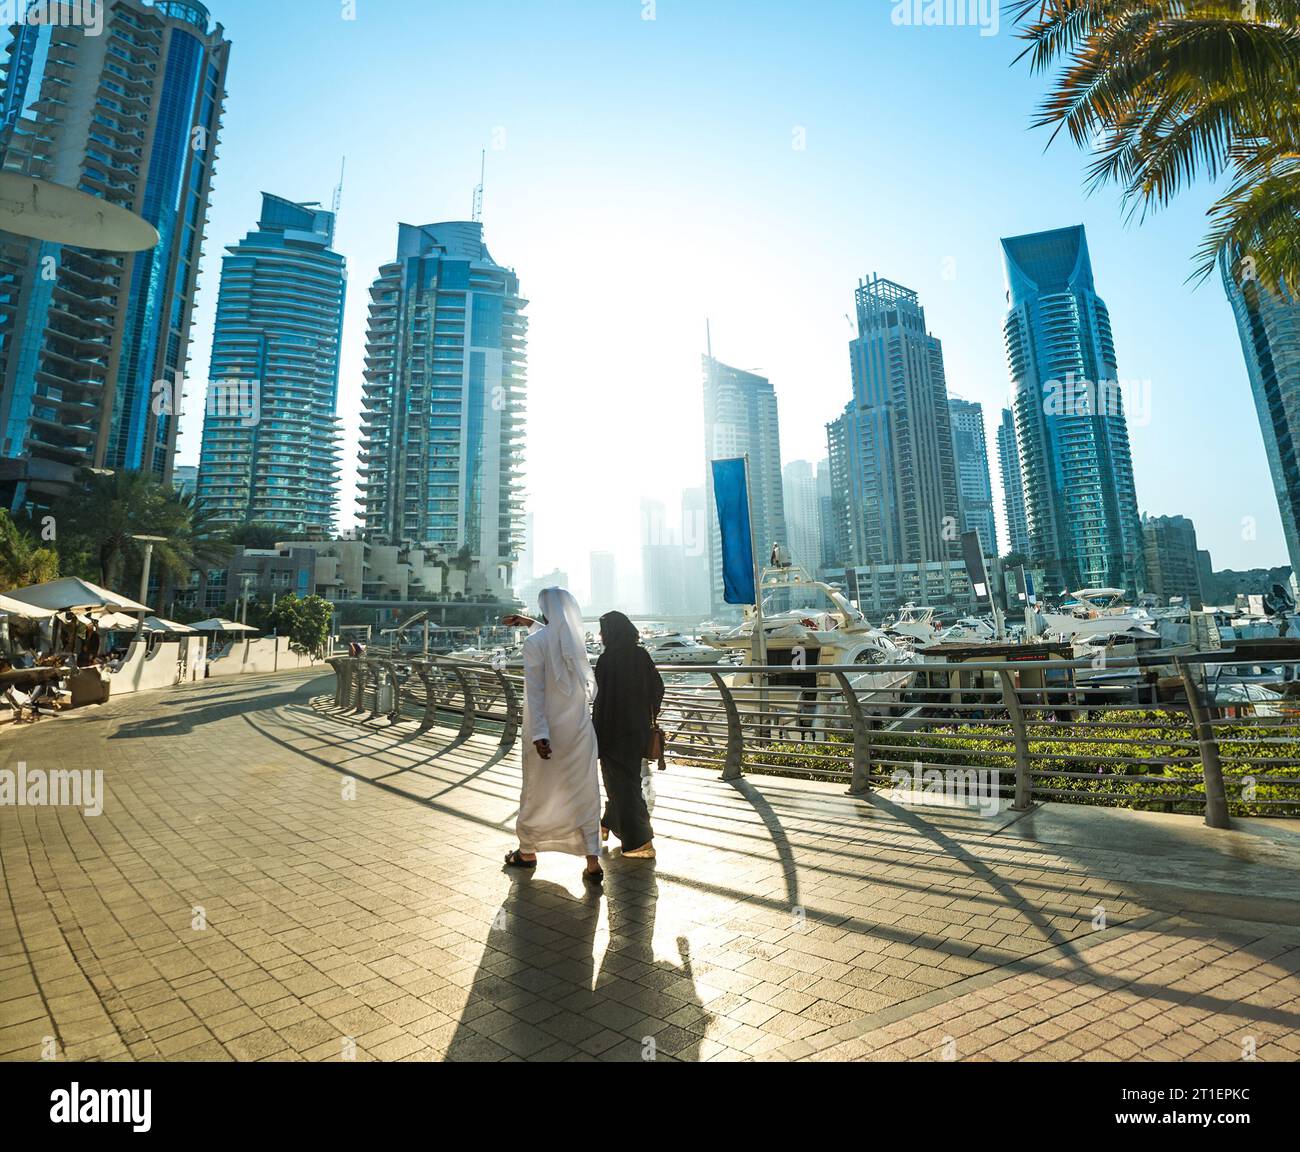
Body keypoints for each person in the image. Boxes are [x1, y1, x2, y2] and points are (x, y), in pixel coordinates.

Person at [503, 588, 604, 884]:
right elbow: (555, 637)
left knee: (538, 792)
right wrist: (530, 624)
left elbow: (535, 691)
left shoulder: (535, 643)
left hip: (546, 732)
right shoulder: (575, 641)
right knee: (584, 792)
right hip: (580, 732)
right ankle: (592, 862)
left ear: (544, 611)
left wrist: (539, 733)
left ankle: (527, 852)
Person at [592, 611, 665, 859]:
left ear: (611, 632)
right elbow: (657, 688)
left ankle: (640, 842)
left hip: (610, 732)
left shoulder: (606, 660)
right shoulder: (640, 655)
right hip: (637, 730)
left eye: (603, 630)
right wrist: (646, 712)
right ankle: (607, 823)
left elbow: (600, 699)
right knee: (625, 781)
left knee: (622, 785)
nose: (600, 635)